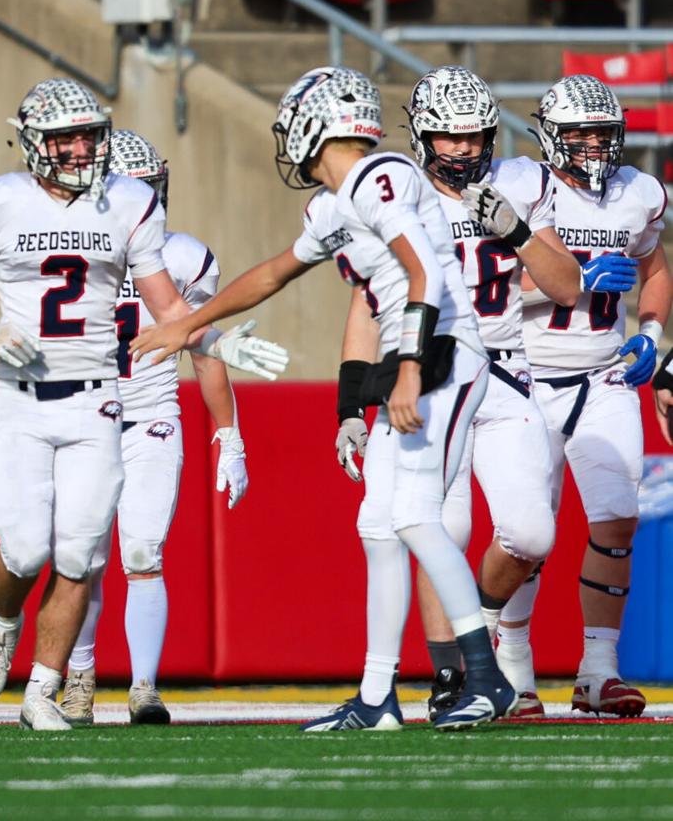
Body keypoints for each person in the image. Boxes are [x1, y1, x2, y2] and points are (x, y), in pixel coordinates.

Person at [132, 66, 518, 731]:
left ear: (312, 123)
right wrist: (184, 325)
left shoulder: (378, 177)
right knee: (377, 525)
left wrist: (406, 371)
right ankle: (375, 697)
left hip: (443, 358)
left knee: (417, 517)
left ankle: (486, 679)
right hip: (419, 358)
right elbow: (275, 272)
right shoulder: (337, 202)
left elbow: (422, 269)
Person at [0, 78, 286, 731]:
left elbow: (171, 308)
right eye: (65, 137)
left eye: (89, 134)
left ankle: (43, 689)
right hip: (23, 399)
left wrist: (221, 343)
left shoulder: (129, 203)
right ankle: (3, 623)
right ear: (34, 142)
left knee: (80, 556)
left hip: (99, 402)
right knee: (23, 551)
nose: (80, 148)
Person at [396, 66, 578, 721]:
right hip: (436, 369)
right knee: (444, 525)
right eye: (448, 136)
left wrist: (518, 235)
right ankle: (451, 676)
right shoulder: (398, 192)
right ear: (421, 136)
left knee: (530, 533)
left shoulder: (519, 185)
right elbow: (366, 300)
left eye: (475, 135)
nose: (465, 148)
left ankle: (484, 622)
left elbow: (565, 287)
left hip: (504, 372)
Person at [58, 130, 251, 727]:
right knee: (82, 556)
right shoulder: (72, 248)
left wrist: (229, 435)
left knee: (142, 549)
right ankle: (81, 676)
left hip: (151, 418)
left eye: (149, 189)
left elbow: (204, 353)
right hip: (83, 416)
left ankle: (144, 687)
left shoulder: (186, 257)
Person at [497, 74, 671, 718]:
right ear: (550, 136)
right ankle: (512, 670)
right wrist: (564, 283)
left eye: (604, 134)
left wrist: (650, 329)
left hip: (604, 376)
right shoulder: (523, 187)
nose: (596, 147)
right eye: (580, 134)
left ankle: (598, 669)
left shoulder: (637, 195)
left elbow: (655, 267)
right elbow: (484, 283)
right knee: (526, 536)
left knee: (618, 516)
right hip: (527, 372)